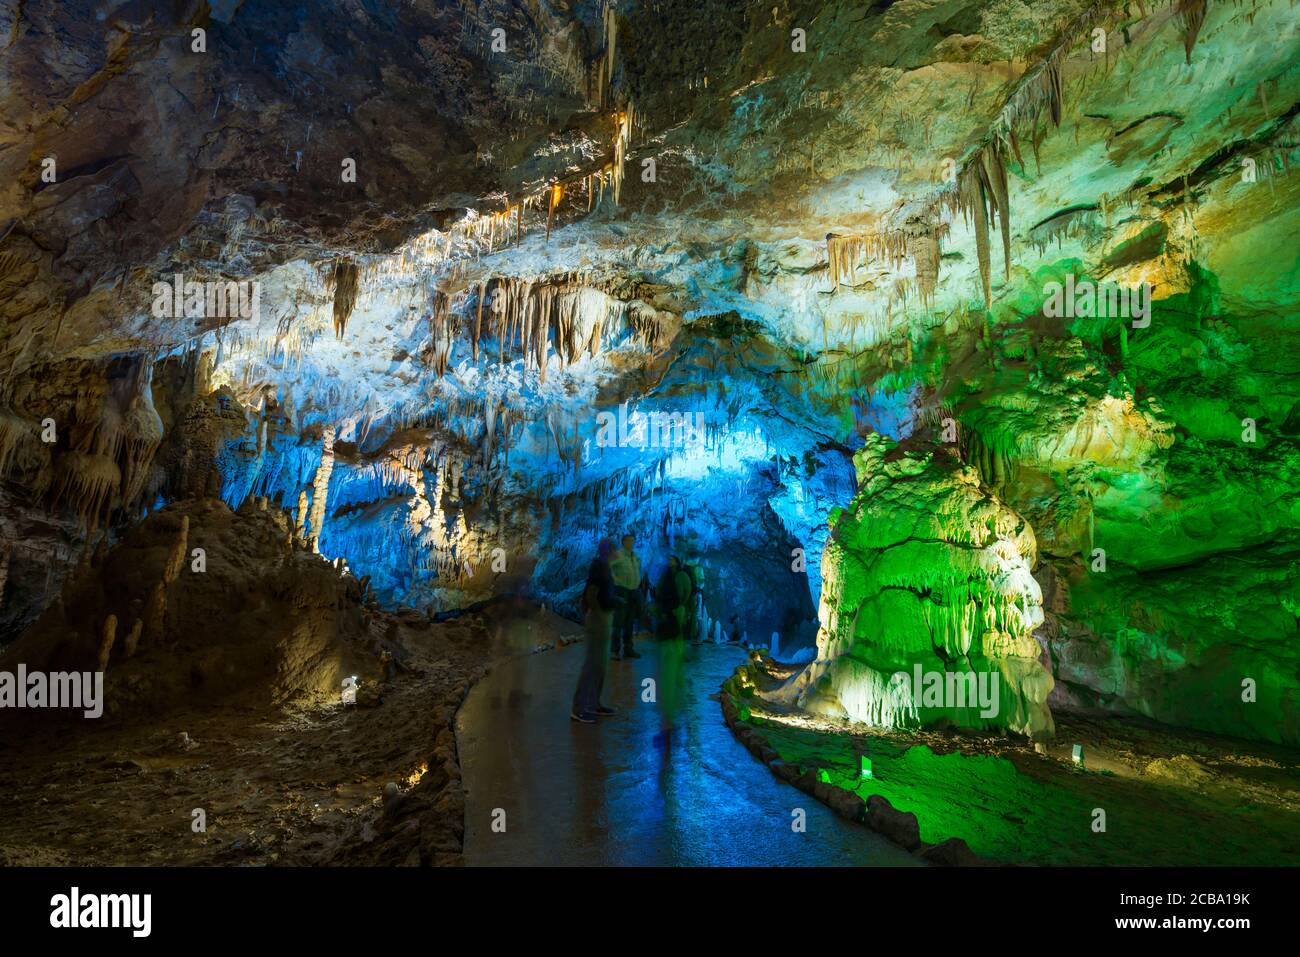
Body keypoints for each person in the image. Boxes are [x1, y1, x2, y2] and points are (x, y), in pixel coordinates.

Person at [571, 538, 620, 724]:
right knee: (592, 664)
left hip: (604, 615)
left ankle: (594, 703)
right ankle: (579, 708)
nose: (617, 552)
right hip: (598, 619)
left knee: (601, 664)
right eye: (615, 548)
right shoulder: (599, 567)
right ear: (608, 551)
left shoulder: (605, 567)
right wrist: (599, 614)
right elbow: (591, 593)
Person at [608, 533, 643, 660]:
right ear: (623, 542)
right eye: (628, 541)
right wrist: (614, 580)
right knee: (618, 622)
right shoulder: (618, 555)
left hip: (634, 591)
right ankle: (614, 650)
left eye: (633, 541)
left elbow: (638, 570)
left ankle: (628, 648)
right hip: (621, 590)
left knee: (629, 622)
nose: (631, 543)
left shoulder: (635, 556)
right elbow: (607, 566)